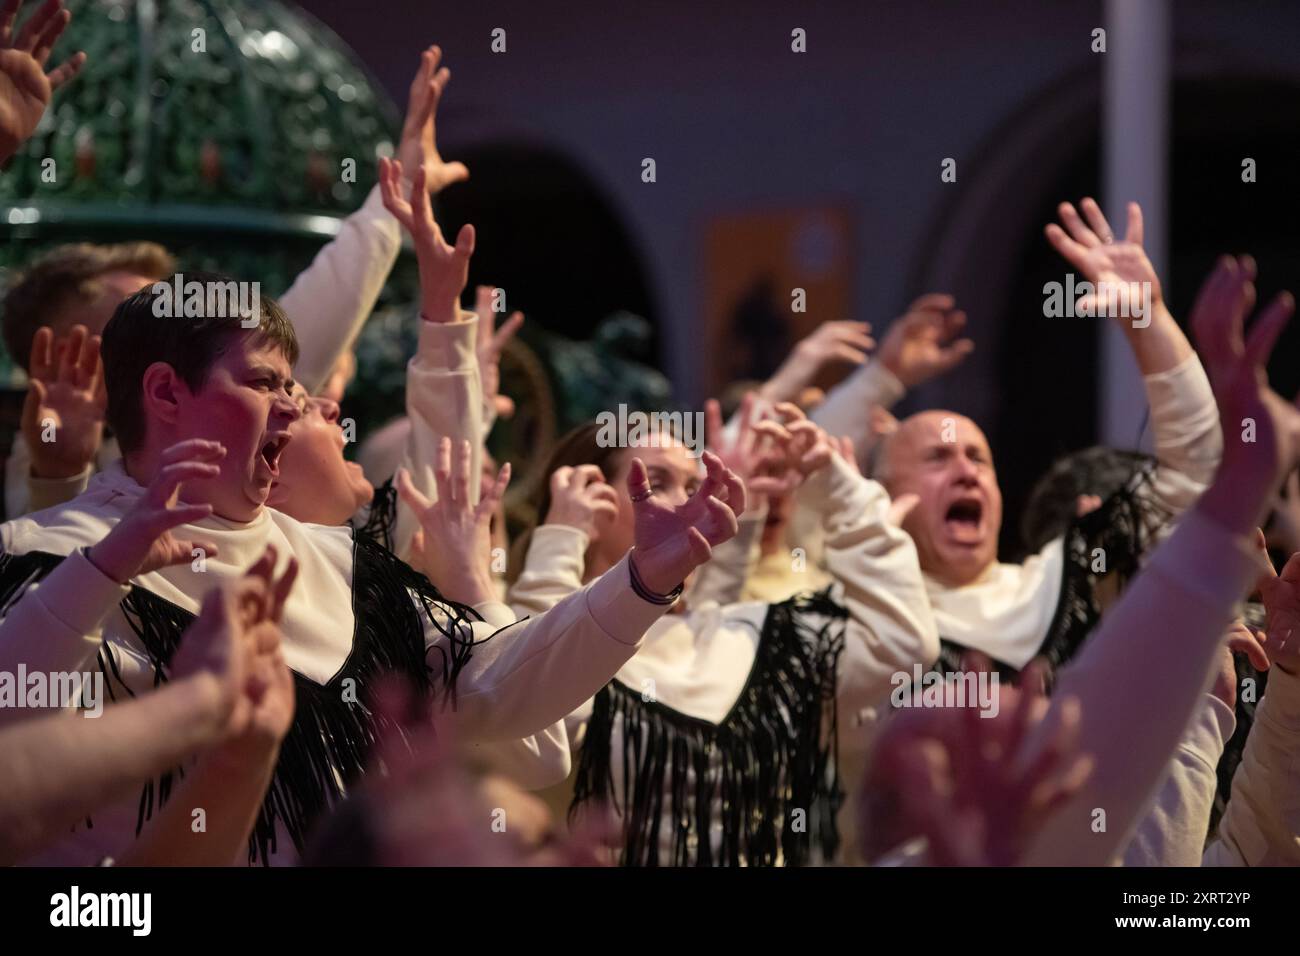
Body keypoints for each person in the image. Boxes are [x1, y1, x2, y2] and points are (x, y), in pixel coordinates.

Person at [0, 276, 743, 865]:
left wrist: (643, 580)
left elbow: (496, 684)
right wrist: (100, 572)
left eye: (292, 386)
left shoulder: (341, 560)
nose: (292, 409)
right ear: (166, 393)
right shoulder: (40, 552)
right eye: (263, 383)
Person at [2, 45, 464, 518]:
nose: (159, 327)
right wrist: (58, 470)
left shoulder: (242, 406)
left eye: (165, 306)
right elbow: (49, 567)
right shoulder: (43, 463)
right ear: (43, 366)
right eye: (111, 332)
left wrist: (403, 186)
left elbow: (327, 297)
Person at [507, 410, 936, 865]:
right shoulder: (552, 641)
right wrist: (559, 543)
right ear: (592, 504)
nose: (690, 506)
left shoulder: (745, 632)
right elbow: (525, 724)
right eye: (657, 483)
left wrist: (840, 487)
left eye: (694, 487)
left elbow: (903, 646)